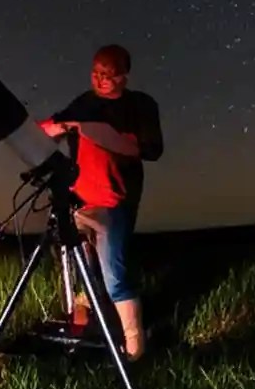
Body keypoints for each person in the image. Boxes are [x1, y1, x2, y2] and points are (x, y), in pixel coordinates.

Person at [38, 44, 163, 361]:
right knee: (86, 273)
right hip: (79, 201)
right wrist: (56, 127)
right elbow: (49, 128)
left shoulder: (140, 105)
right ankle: (93, 333)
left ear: (123, 75)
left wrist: (86, 129)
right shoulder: (84, 102)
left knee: (114, 275)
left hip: (113, 202)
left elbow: (147, 149)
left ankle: (134, 347)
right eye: (95, 72)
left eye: (107, 74)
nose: (99, 79)